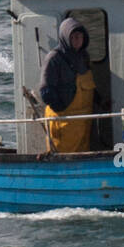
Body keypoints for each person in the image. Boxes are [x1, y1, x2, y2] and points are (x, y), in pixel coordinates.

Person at [38, 16, 95, 152]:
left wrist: (100, 101)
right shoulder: (54, 58)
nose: (77, 40)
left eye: (80, 36)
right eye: (73, 37)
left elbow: (89, 84)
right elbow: (45, 91)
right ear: (65, 37)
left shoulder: (83, 56)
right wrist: (61, 109)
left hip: (83, 121)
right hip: (64, 122)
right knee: (63, 156)